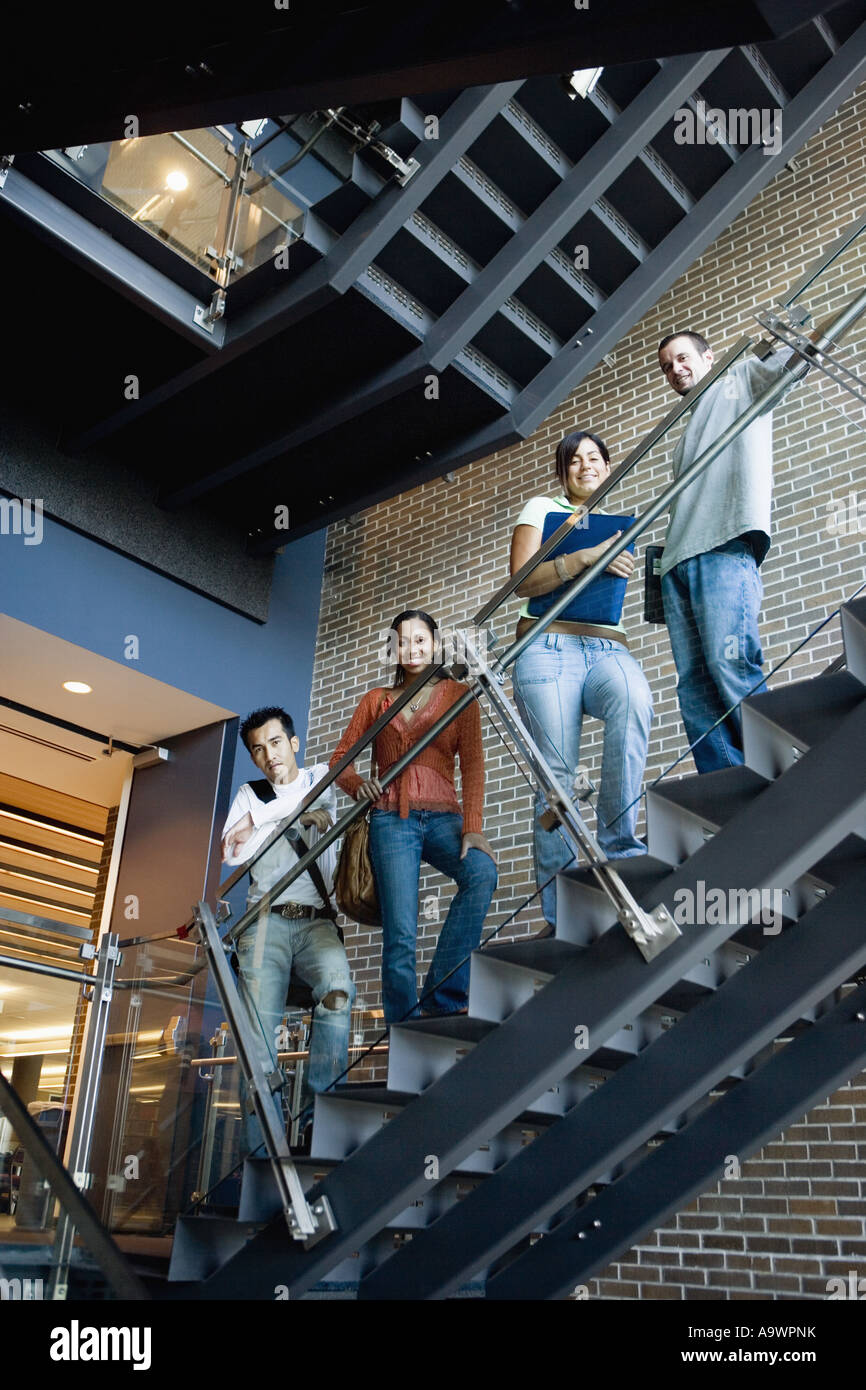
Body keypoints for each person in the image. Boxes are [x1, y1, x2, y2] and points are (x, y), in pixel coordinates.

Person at [509, 429, 653, 927]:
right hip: (546, 646)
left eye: (594, 458)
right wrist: (585, 558)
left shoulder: (619, 522)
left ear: (608, 467)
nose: (585, 465)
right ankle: (562, 909)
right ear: (562, 471)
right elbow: (521, 581)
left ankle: (619, 845)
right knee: (558, 774)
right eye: (574, 459)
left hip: (606, 644)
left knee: (635, 700)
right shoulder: (541, 509)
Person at [331, 610, 497, 1026]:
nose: (412, 648)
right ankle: (404, 1028)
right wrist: (358, 786)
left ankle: (444, 992)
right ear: (394, 648)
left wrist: (473, 827)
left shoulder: (460, 695)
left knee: (481, 874)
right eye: (402, 642)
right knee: (401, 935)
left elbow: (474, 766)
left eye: (420, 640)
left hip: (443, 818)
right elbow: (340, 762)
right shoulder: (376, 700)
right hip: (390, 820)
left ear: (436, 643)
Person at [657, 330, 793, 772]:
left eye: (682, 358)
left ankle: (776, 769)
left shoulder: (736, 379)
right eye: (666, 366)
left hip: (723, 548)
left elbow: (796, 357)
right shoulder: (684, 436)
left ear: (709, 357)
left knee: (729, 662)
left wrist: (799, 327)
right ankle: (726, 788)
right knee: (693, 687)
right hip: (677, 562)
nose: (675, 369)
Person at [221, 706, 353, 1145]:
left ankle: (320, 1116)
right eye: (258, 749)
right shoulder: (249, 792)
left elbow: (321, 812)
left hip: (317, 923)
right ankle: (265, 1142)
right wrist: (289, 818)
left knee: (338, 992)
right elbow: (233, 854)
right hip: (264, 923)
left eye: (275, 743)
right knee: (260, 1038)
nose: (269, 755)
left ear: (293, 743)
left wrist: (257, 822)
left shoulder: (320, 779)